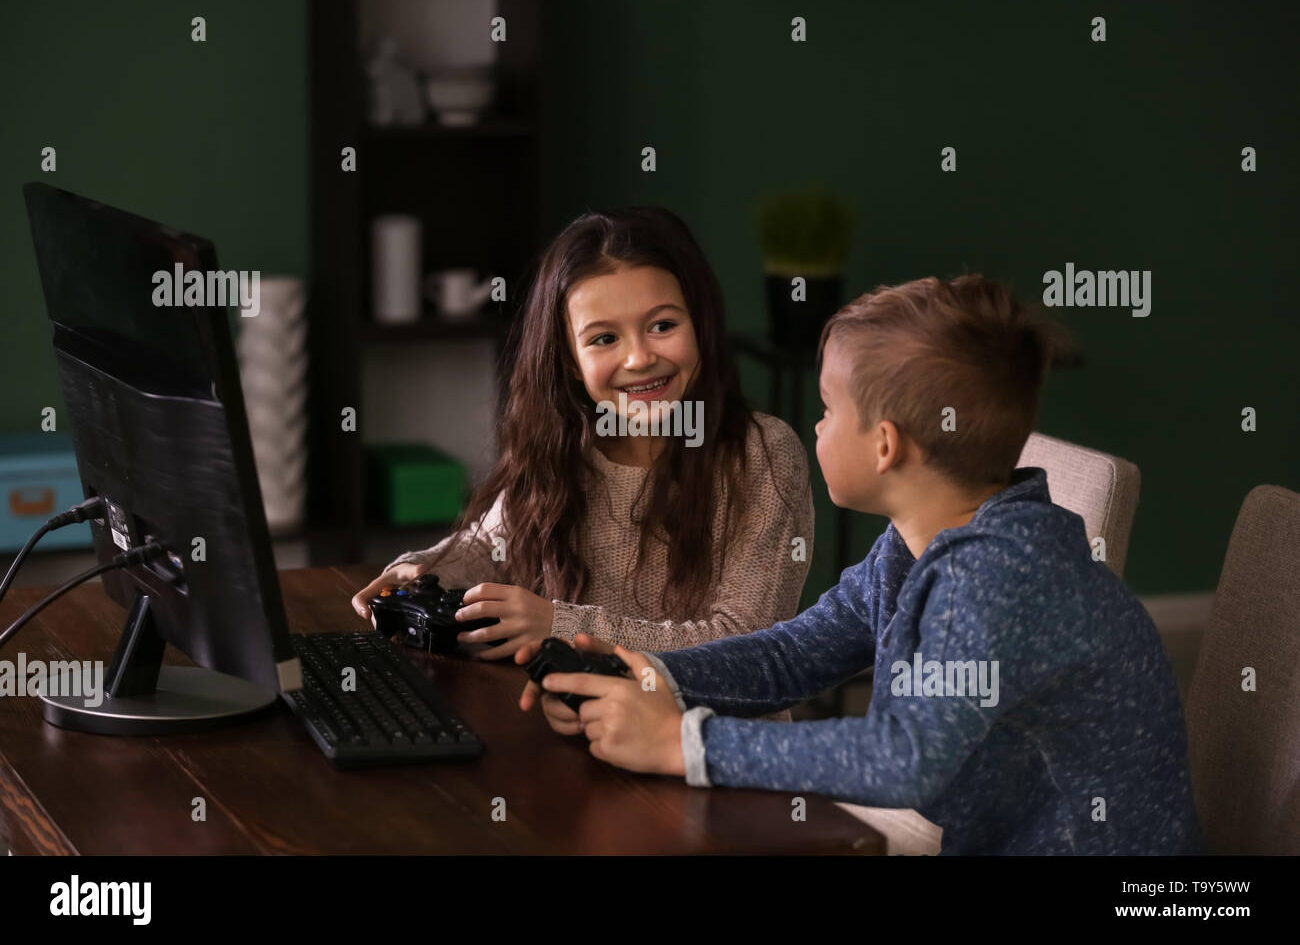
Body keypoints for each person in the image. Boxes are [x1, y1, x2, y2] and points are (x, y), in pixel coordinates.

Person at [520, 274, 1202, 855]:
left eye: (826, 409)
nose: (815, 428)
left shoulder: (994, 577)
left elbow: (904, 758)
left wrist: (681, 745)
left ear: (884, 446)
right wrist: (649, 677)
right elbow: (799, 654)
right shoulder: (920, 542)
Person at [351, 206, 813, 670]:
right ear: (571, 360)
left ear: (701, 325)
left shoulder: (764, 454)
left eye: (662, 326)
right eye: (604, 338)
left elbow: (746, 649)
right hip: (575, 725)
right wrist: (424, 571)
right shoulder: (564, 446)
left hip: (706, 740)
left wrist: (560, 625)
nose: (638, 358)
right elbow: (488, 546)